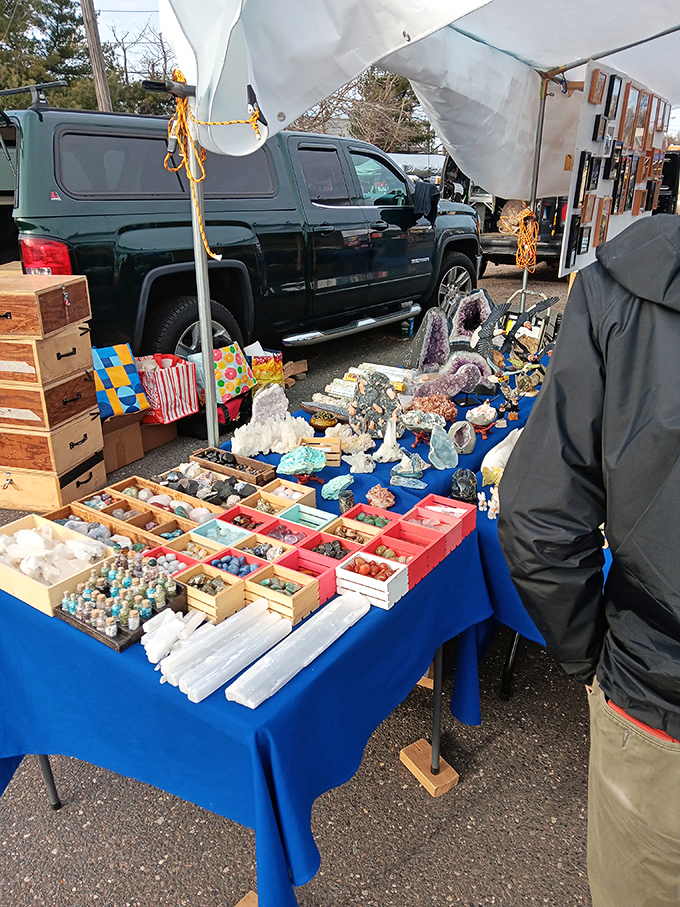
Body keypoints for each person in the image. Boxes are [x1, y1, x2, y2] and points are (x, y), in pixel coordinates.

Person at [497, 214, 680, 907]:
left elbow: (538, 520)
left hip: (654, 704)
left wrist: (593, 659)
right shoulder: (621, 287)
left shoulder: (617, 287)